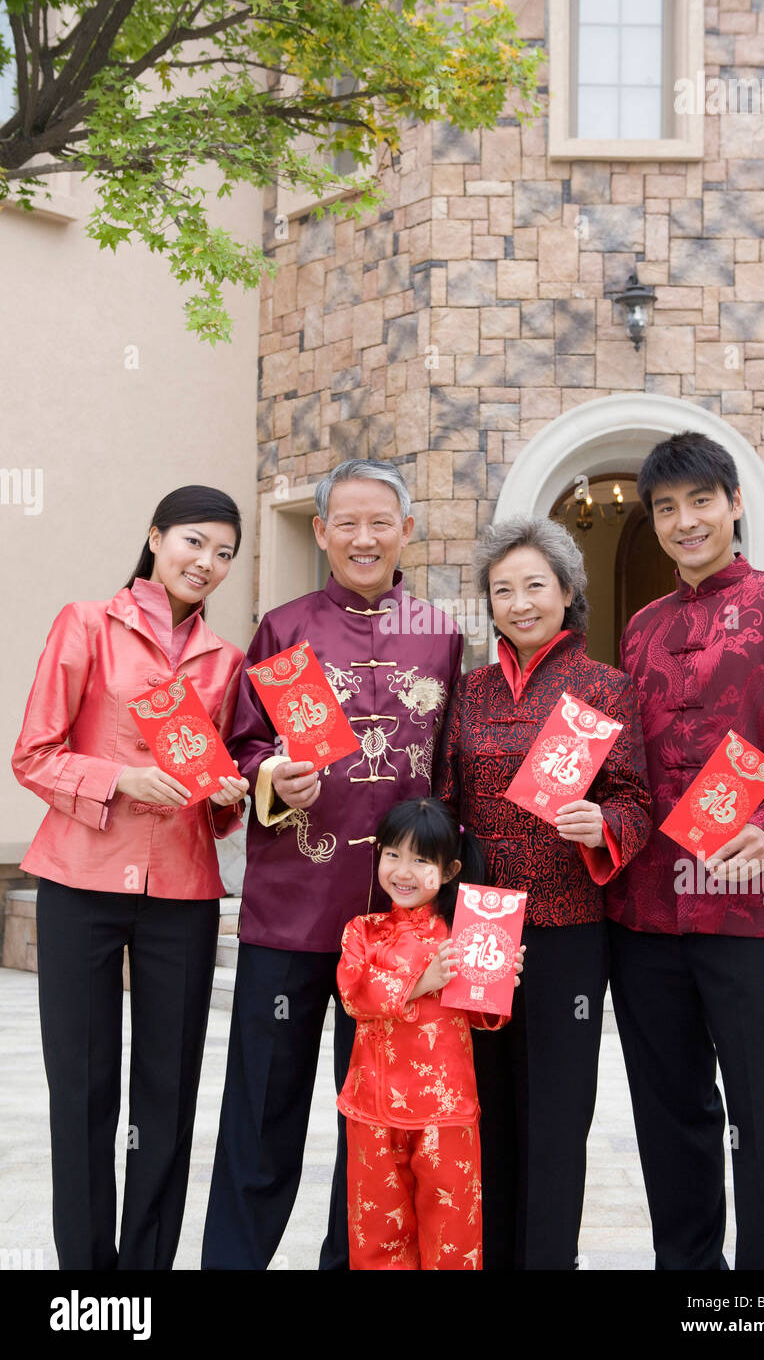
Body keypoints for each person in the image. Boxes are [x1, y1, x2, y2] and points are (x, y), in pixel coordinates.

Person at [201, 458, 462, 1270]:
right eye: (344, 522)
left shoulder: (442, 632)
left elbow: (453, 766)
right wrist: (272, 777)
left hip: (402, 928)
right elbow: (240, 748)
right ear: (319, 532)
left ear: (407, 530)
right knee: (262, 1110)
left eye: (380, 521)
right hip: (294, 910)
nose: (363, 537)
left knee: (380, 1121)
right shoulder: (282, 629)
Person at [606, 430, 764, 1270]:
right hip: (648, 915)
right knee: (670, 1113)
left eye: (700, 501)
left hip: (753, 905)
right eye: (665, 509)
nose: (684, 522)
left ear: (734, 504)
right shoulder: (638, 631)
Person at [11, 486, 249, 1271]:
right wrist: (120, 780)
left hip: (181, 894)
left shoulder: (227, 661)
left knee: (167, 1094)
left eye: (223, 553)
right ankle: (86, 1279)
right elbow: (33, 756)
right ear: (154, 537)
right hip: (79, 881)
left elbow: (213, 803)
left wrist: (226, 800)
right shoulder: (85, 624)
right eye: (193, 542)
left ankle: (146, 1276)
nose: (206, 563)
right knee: (81, 1094)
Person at [435, 515, 652, 1270]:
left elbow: (637, 799)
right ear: (488, 603)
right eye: (503, 590)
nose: (520, 602)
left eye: (535, 585)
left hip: (566, 925)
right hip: (483, 922)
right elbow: (446, 798)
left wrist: (604, 821)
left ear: (567, 590)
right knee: (485, 1106)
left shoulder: (607, 688)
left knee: (558, 1115)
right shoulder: (469, 691)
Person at [336, 797, 524, 1270]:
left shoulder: (466, 934)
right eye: (393, 854)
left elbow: (483, 1016)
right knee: (377, 1239)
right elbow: (354, 992)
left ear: (450, 868)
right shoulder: (362, 930)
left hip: (446, 1111)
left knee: (453, 1237)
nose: (404, 870)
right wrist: (423, 982)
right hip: (372, 1108)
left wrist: (500, 975)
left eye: (421, 859)